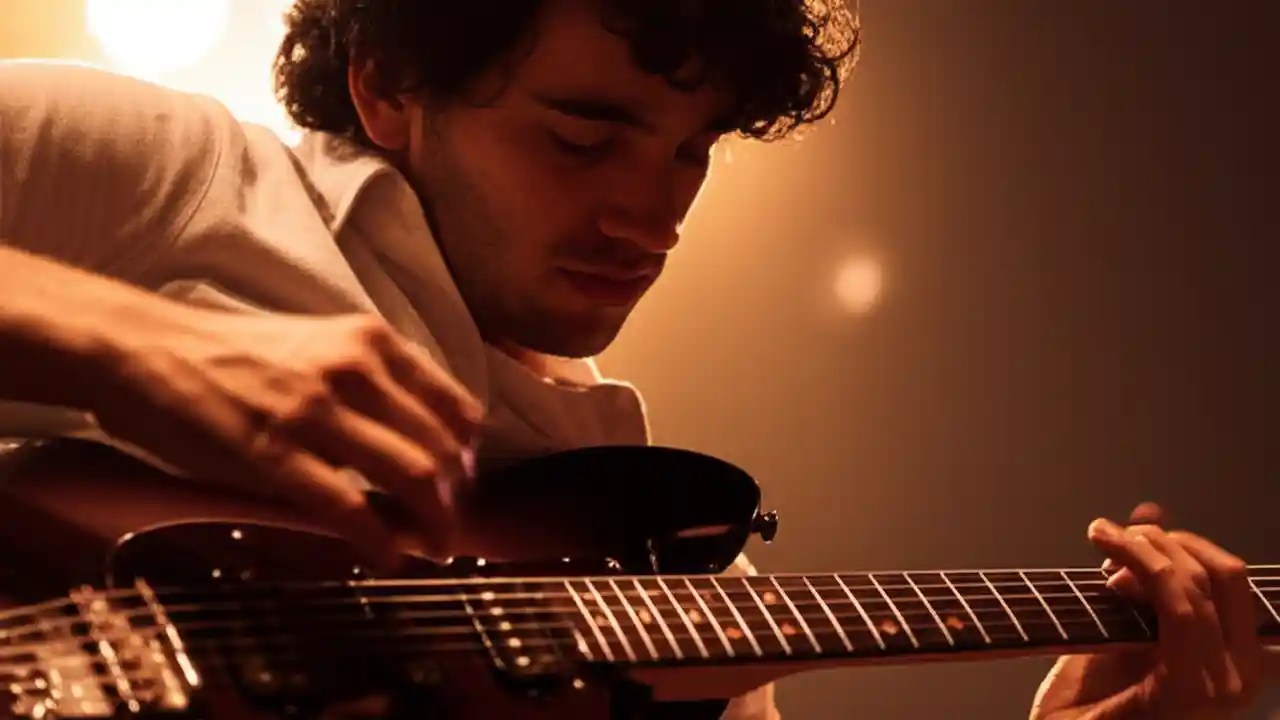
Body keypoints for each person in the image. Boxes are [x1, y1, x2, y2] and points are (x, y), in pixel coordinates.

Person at [0, 1, 1268, 717]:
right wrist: (124, 337)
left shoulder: (665, 556)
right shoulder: (184, 174)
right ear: (387, 85)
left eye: (688, 152)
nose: (647, 214)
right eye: (581, 134)